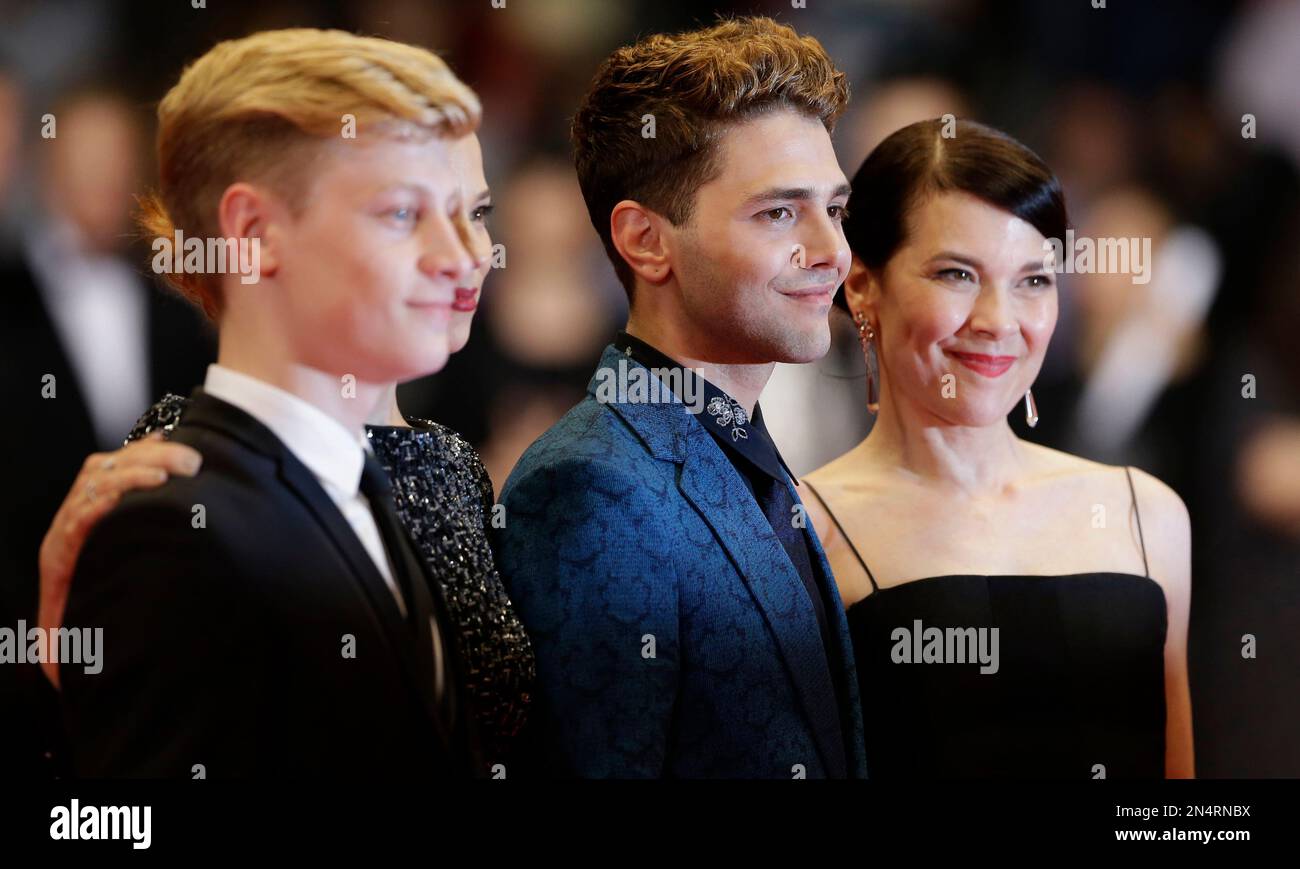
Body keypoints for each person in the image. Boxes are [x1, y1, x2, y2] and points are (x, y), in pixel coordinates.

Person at [56, 28, 493, 777]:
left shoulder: (363, 477)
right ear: (254, 234)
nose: (462, 257)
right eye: (400, 213)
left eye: (466, 212)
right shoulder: (169, 527)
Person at [493, 17, 867, 778]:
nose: (833, 252)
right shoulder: (593, 486)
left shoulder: (736, 445)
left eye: (834, 208)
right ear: (644, 241)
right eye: (778, 212)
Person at [800, 118, 1195, 778]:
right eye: (956, 273)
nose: (999, 321)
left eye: (1034, 281)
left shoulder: (1145, 513)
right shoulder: (800, 533)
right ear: (863, 287)